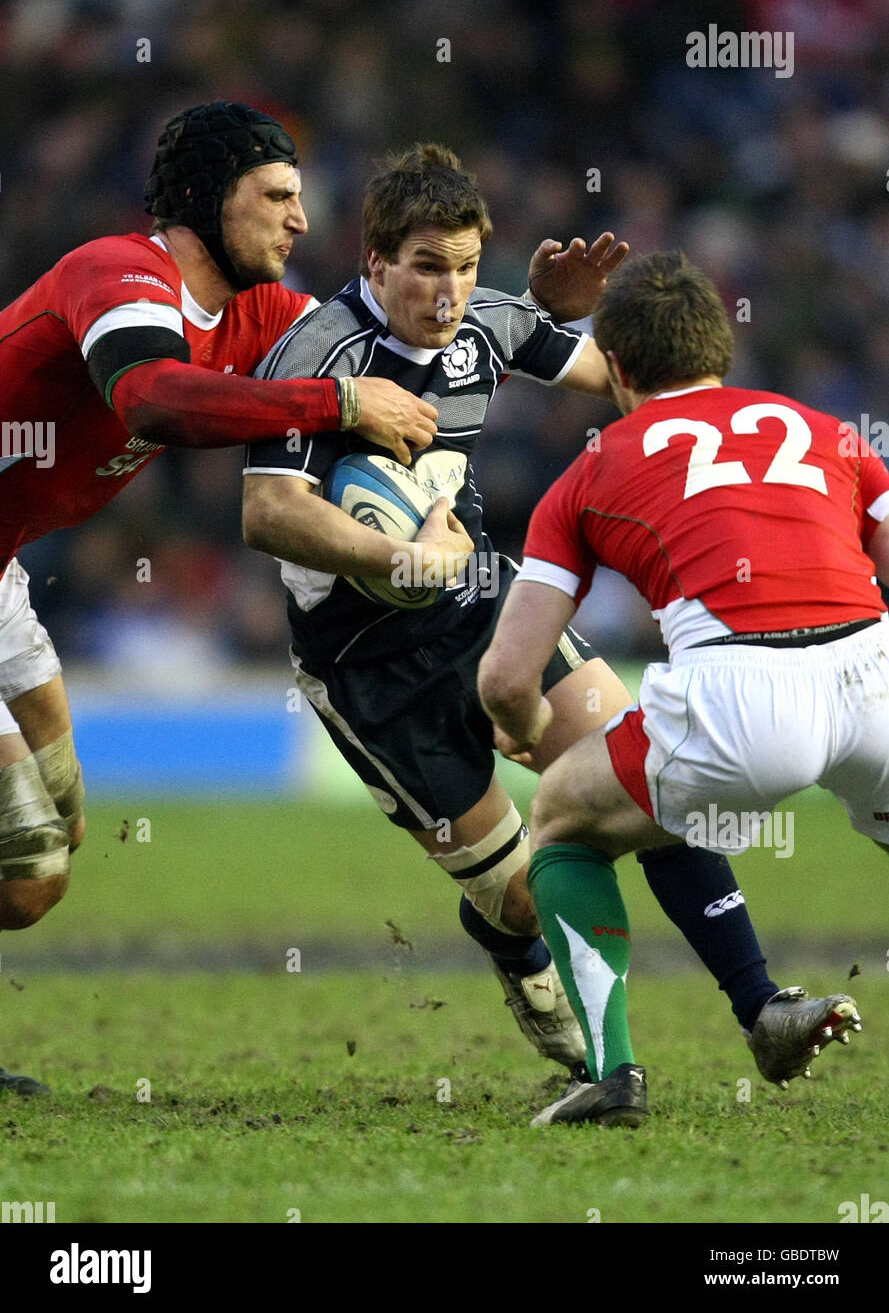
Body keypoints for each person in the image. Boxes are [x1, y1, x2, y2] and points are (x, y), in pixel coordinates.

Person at [242, 146, 821, 1093]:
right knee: (517, 899)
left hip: (487, 612)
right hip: (367, 667)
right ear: (375, 259)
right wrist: (398, 559)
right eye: (427, 266)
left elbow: (637, 385)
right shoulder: (314, 355)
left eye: (467, 266)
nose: (449, 292)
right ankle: (511, 948)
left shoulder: (494, 326)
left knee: (653, 785)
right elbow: (266, 512)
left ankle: (761, 1007)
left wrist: (578, 319)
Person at [0, 100, 445, 1096]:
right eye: (277, 196)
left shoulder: (262, 316)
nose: (300, 218)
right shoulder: (117, 275)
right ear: (205, 200)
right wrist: (332, 402)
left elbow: (390, 365)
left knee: (58, 830)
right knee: (25, 857)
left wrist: (567, 347)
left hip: (0, 578)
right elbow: (151, 397)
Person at [478, 249, 870, 1127]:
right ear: (718, 352)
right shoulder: (824, 429)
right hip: (873, 673)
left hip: (737, 694)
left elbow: (507, 674)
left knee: (565, 821)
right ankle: (760, 1008)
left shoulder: (592, 467)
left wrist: (522, 718)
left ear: (613, 367)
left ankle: (612, 1076)